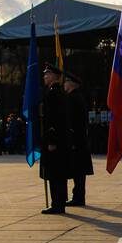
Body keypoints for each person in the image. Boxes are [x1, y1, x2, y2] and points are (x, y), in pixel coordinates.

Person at [39, 62, 68, 214]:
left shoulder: (52, 94)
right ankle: (59, 201)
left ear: (53, 76)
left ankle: (57, 203)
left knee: (54, 173)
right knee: (59, 173)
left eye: (46, 74)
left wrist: (51, 140)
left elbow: (53, 120)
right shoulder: (60, 92)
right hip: (60, 139)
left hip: (54, 140)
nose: (44, 77)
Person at [63, 71, 94, 206]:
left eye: (66, 82)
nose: (64, 84)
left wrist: (71, 140)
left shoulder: (72, 98)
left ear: (71, 84)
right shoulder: (79, 97)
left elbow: (71, 121)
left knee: (77, 171)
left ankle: (78, 197)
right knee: (79, 171)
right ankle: (79, 196)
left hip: (75, 140)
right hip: (80, 139)